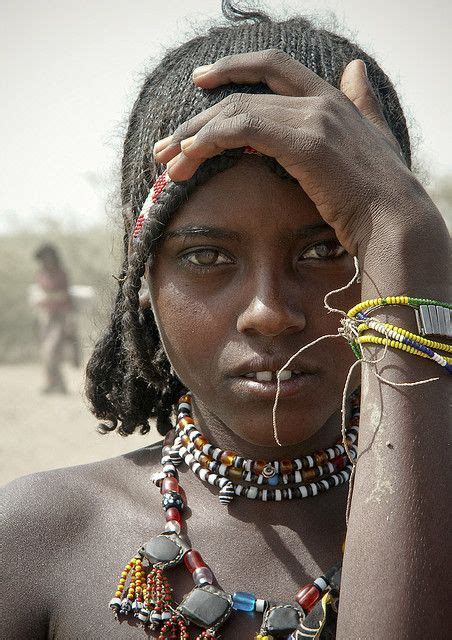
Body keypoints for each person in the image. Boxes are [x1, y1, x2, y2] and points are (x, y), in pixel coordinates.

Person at [2, 2, 450, 638]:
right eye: (207, 256)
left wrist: (406, 237)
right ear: (144, 281)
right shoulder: (37, 538)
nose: (270, 313)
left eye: (327, 250)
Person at [32, 243, 80, 393]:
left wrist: (48, 298)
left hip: (60, 317)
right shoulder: (41, 274)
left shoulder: (61, 274)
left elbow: (65, 296)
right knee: (46, 352)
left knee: (52, 350)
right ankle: (54, 383)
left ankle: (57, 383)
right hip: (46, 317)